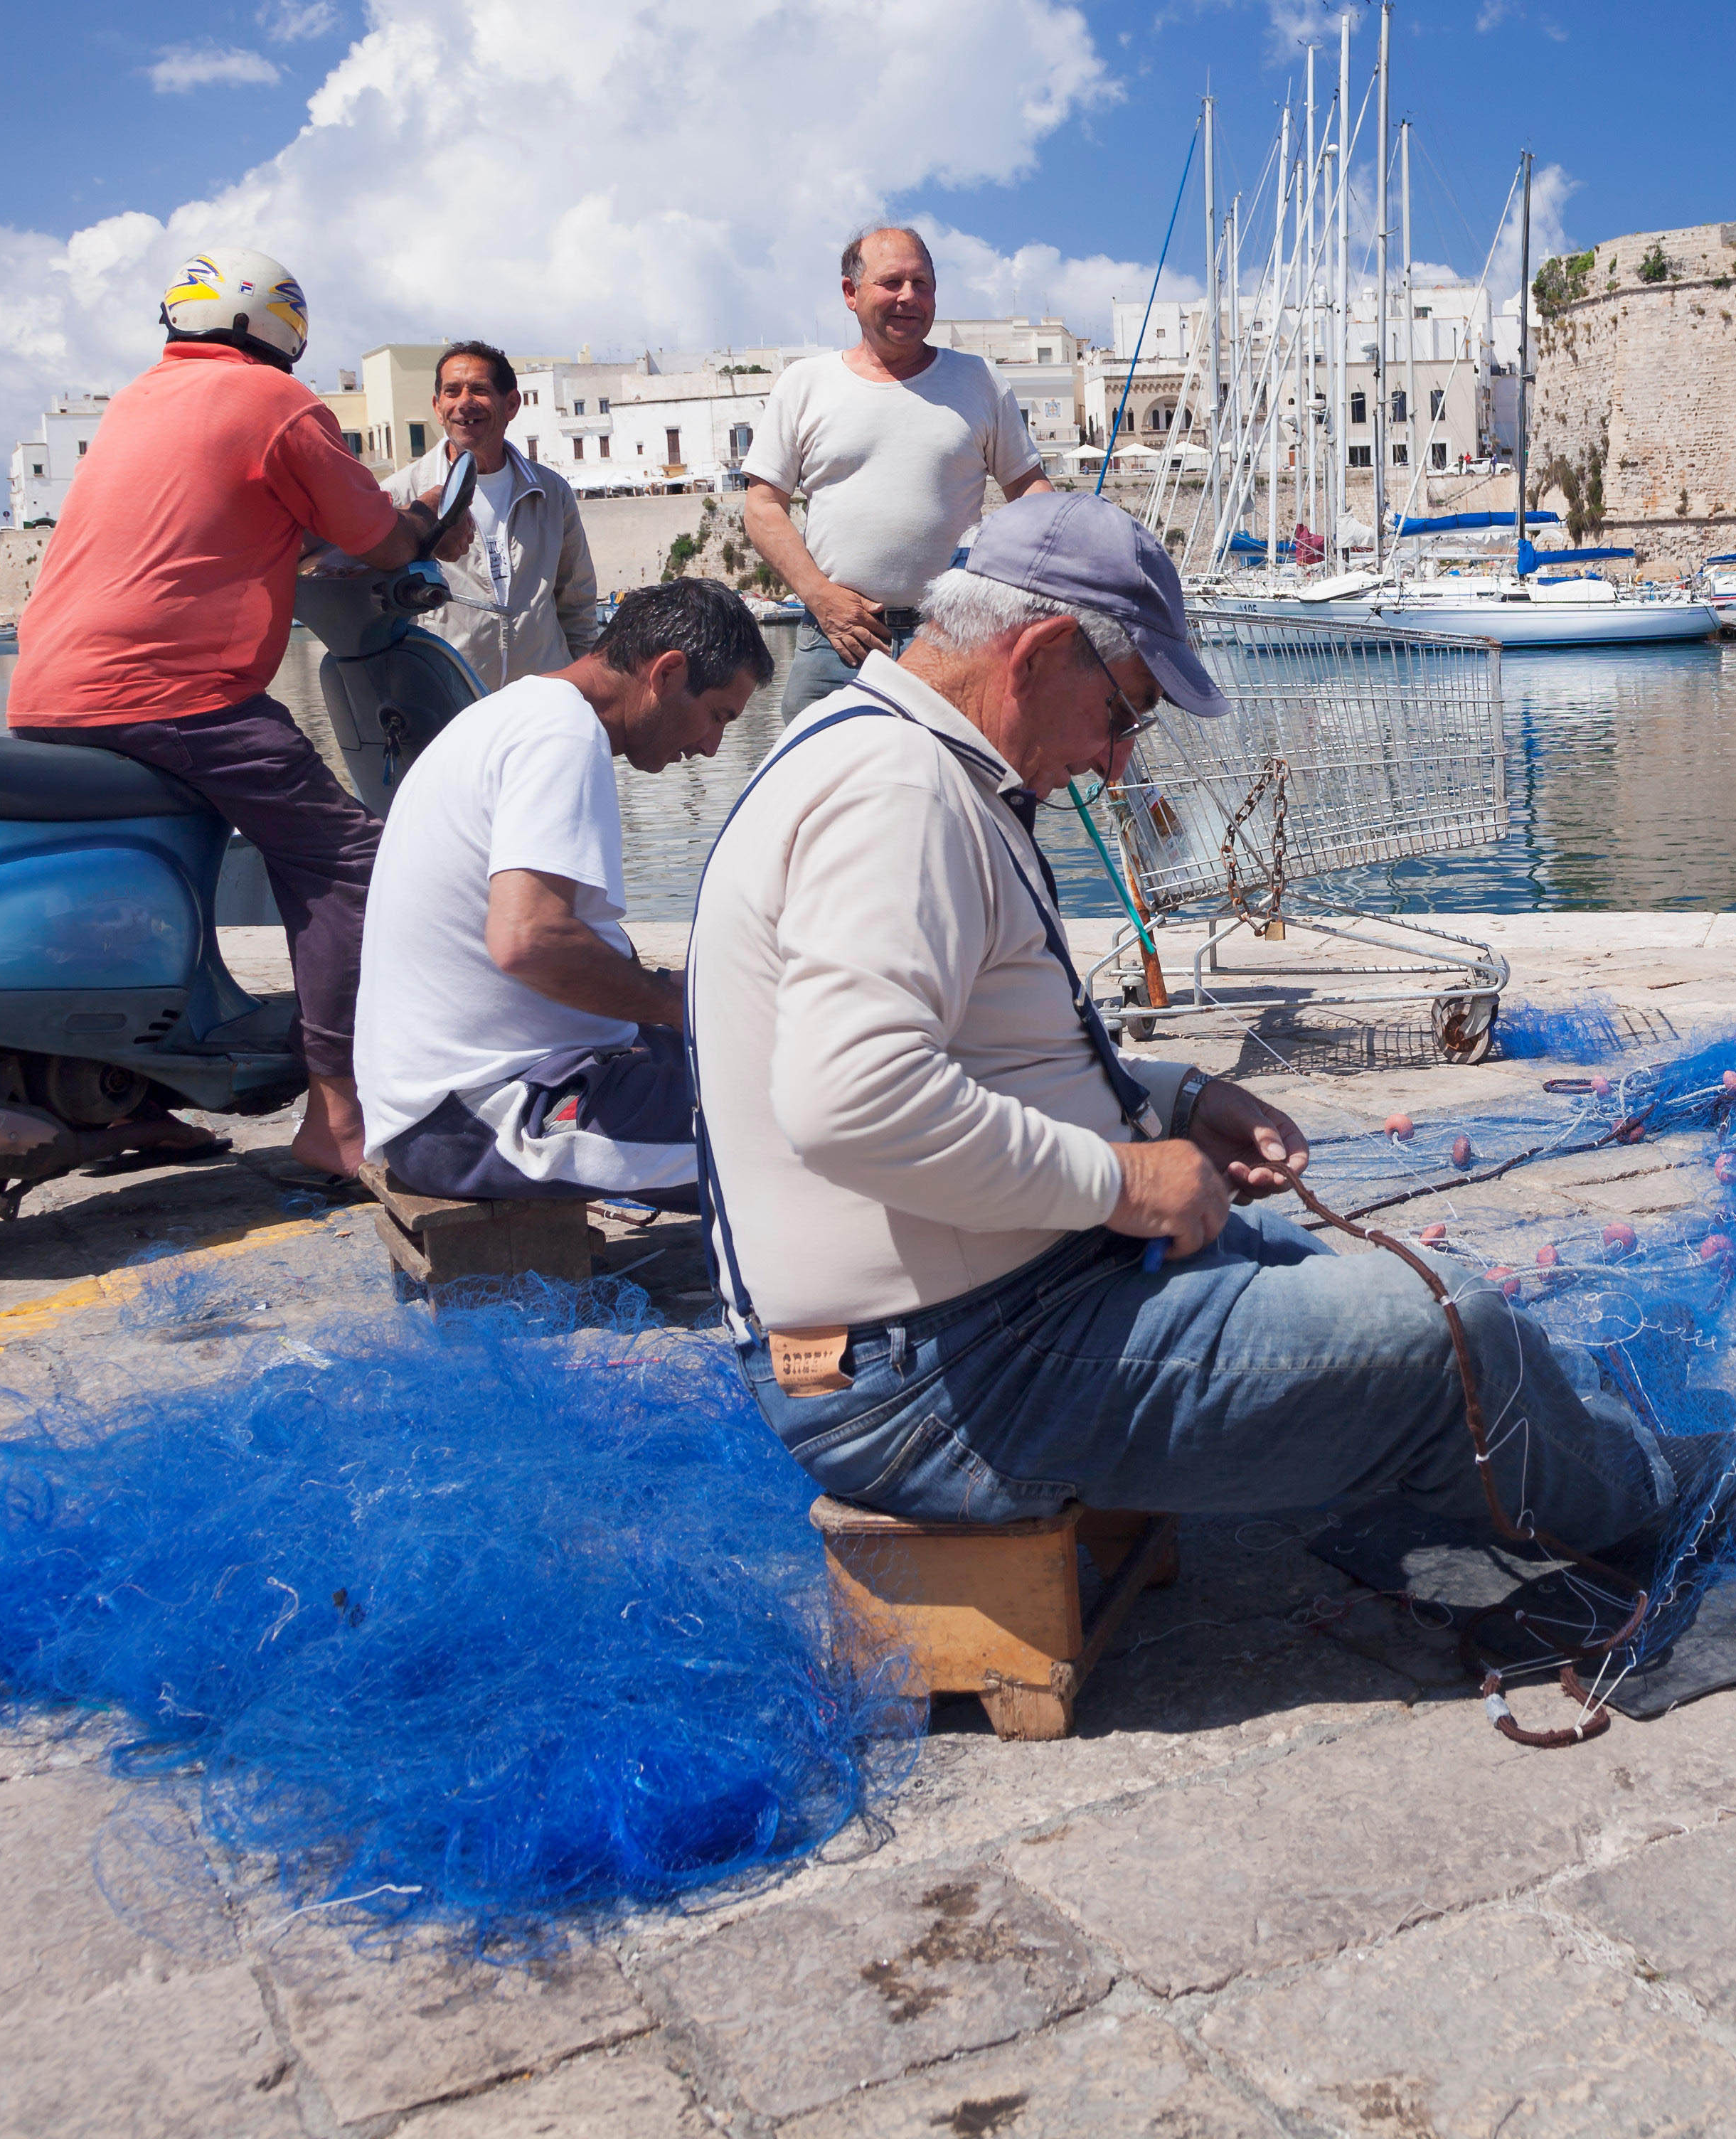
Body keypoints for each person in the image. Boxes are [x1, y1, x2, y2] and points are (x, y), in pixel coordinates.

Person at [689, 494, 1669, 1555]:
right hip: (934, 1378)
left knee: (1416, 1281)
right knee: (1455, 1340)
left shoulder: (910, 764)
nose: (1117, 762)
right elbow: (853, 1107)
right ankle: (1664, 1509)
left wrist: (1176, 1099)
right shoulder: (895, 793)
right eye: (1123, 713)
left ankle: (1535, 1465)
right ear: (1043, 650)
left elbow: (988, 1049)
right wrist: (1124, 1180)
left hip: (992, 1315)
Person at [6, 249, 468, 1181]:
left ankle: (129, 1100)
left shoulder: (136, 401)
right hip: (174, 693)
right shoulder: (278, 406)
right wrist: (425, 524)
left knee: (150, 879)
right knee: (347, 862)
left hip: (47, 689)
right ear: (278, 329)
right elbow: (376, 539)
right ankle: (338, 1121)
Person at [354, 580, 770, 1205]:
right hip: (479, 1119)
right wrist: (674, 1005)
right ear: (668, 671)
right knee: (815, 1143)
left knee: (783, 1059)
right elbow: (531, 942)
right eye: (717, 716)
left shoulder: (520, 712)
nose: (710, 747)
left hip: (469, 1091)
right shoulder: (562, 735)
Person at [741, 226, 1050, 707]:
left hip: (953, 642)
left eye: (921, 284)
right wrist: (821, 598)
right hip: (838, 643)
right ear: (850, 292)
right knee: (827, 780)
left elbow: (1030, 490)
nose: (909, 296)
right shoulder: (804, 383)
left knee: (953, 782)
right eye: (892, 283)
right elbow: (761, 506)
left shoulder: (980, 381)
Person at [383, 339, 600, 689]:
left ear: (511, 404)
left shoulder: (551, 493)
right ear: (438, 408)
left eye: (479, 390)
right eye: (452, 392)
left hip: (542, 703)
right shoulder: (401, 497)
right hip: (448, 706)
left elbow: (577, 607)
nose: (464, 403)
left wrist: (585, 691)